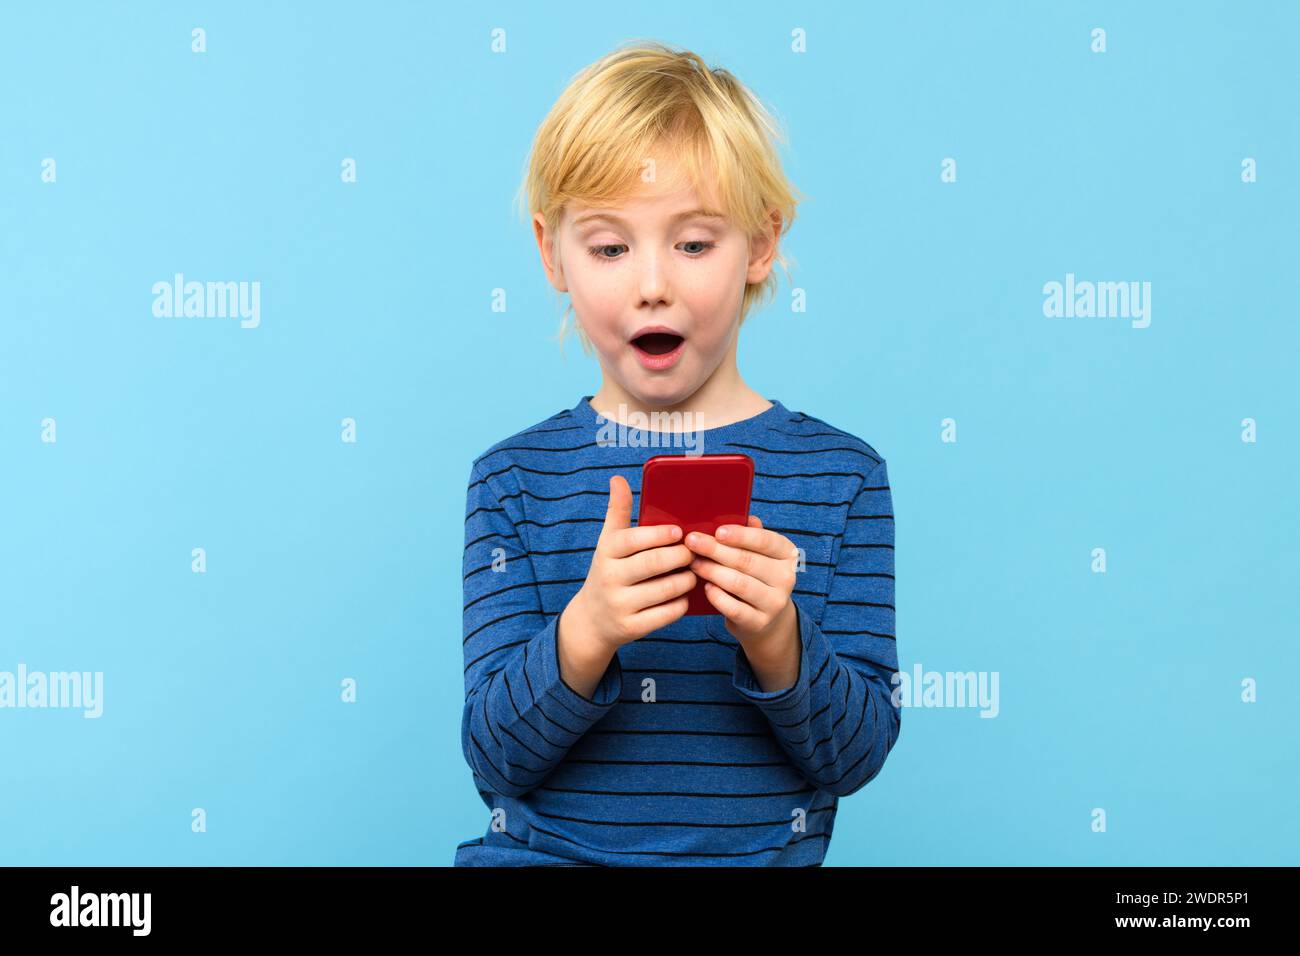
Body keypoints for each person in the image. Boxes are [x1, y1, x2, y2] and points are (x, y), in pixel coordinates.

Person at [455, 40, 899, 866]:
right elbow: (494, 756)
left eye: (693, 244)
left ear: (761, 245)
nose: (651, 283)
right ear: (553, 254)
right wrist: (585, 631)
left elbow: (856, 756)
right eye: (609, 247)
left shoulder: (843, 480)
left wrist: (778, 639)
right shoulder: (512, 481)